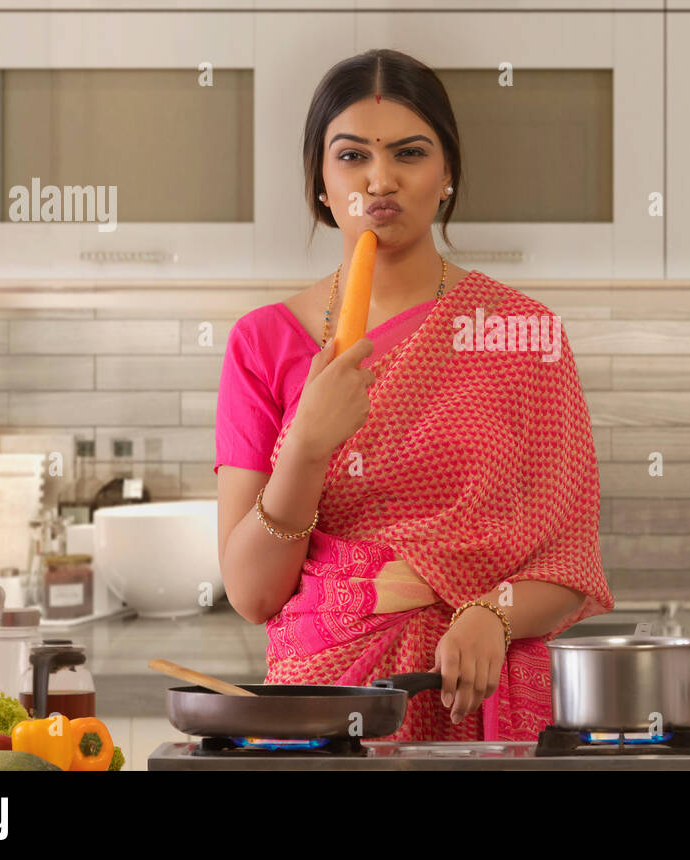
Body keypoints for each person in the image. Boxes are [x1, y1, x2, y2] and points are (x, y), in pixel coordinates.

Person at [214, 48, 612, 741]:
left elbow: (568, 558)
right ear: (319, 178)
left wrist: (494, 611)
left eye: (409, 152)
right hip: (326, 712)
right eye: (351, 157)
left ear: (447, 172)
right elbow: (252, 594)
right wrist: (307, 444)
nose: (380, 179)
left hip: (473, 700)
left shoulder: (521, 335)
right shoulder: (264, 343)